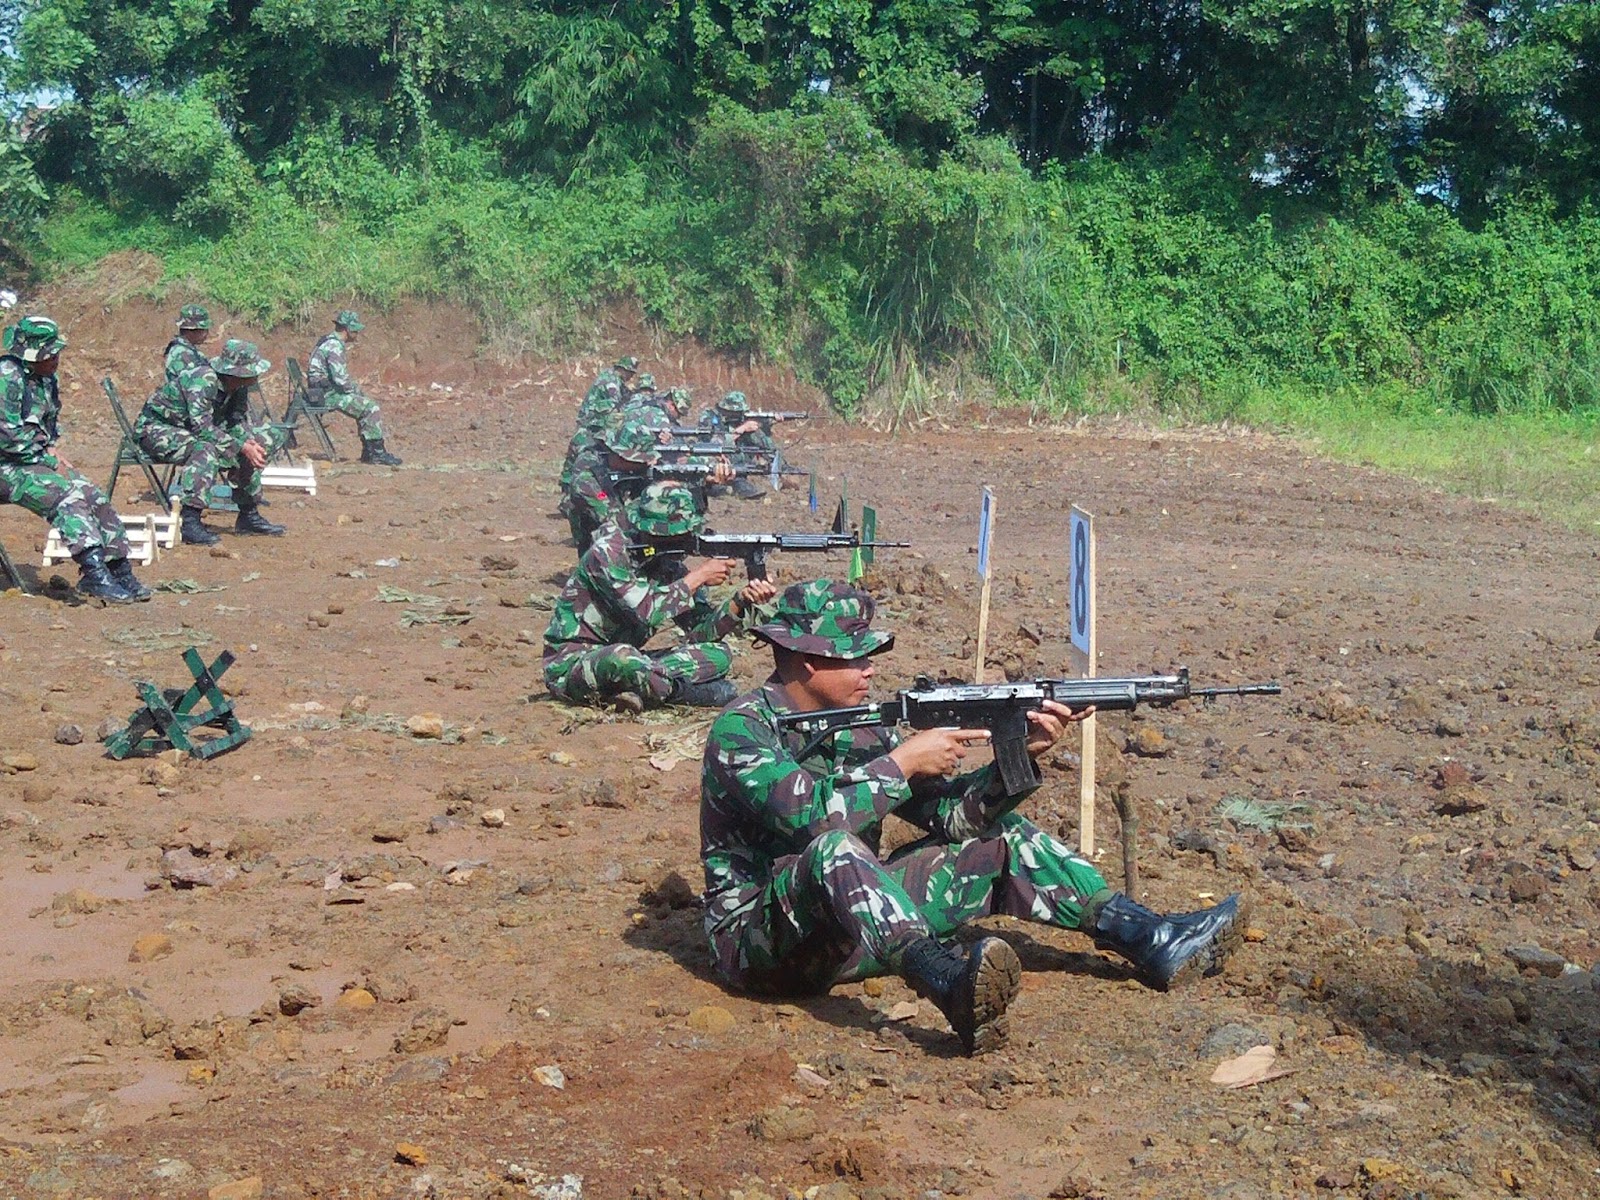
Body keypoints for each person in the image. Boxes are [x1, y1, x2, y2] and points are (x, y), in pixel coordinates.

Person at [699, 579, 1251, 1055]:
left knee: (1001, 837)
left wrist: (1018, 760)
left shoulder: (863, 727)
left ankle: (1148, 935)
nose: (870, 669)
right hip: (760, 945)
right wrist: (903, 762)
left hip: (853, 931)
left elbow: (954, 820)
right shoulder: (742, 730)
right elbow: (810, 821)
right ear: (810, 660)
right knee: (836, 850)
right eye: (856, 657)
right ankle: (946, 983)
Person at [543, 482, 775, 713]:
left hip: (632, 661)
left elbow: (700, 633)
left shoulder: (666, 564)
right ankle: (683, 693)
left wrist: (739, 602)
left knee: (718, 654)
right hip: (574, 665)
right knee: (624, 659)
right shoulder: (608, 554)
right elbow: (645, 612)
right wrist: (698, 577)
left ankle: (640, 689)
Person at [0, 316, 150, 602]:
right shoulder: (7, 377)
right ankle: (94, 573)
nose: (56, 358)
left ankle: (117, 569)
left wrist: (50, 449)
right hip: (6, 465)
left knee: (93, 495)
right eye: (49, 353)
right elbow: (6, 436)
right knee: (65, 496)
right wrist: (44, 456)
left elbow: (46, 426)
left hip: (28, 460)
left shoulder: (45, 380)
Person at [137, 338, 285, 546]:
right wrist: (240, 446)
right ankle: (190, 521)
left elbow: (235, 420)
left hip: (194, 430)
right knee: (204, 449)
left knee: (265, 438)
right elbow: (203, 429)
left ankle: (248, 513)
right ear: (237, 372)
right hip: (157, 429)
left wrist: (249, 442)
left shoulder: (239, 387)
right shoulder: (203, 381)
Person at [305, 309, 402, 466]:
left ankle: (369, 451)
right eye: (355, 330)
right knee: (371, 408)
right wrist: (357, 391)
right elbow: (340, 379)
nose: (357, 333)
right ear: (347, 329)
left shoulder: (328, 341)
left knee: (364, 405)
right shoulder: (334, 346)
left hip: (322, 391)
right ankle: (376, 453)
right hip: (327, 395)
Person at [563, 417, 660, 555]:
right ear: (619, 455)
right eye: (638, 461)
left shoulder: (627, 469)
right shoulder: (588, 476)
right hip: (602, 545)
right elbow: (614, 520)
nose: (645, 464)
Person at [699, 391, 779, 500]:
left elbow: (764, 441)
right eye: (737, 413)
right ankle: (733, 485)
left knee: (756, 435)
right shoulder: (709, 417)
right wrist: (742, 428)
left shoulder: (740, 419)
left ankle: (778, 467)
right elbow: (715, 443)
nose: (740, 416)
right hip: (713, 459)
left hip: (738, 459)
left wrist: (766, 425)